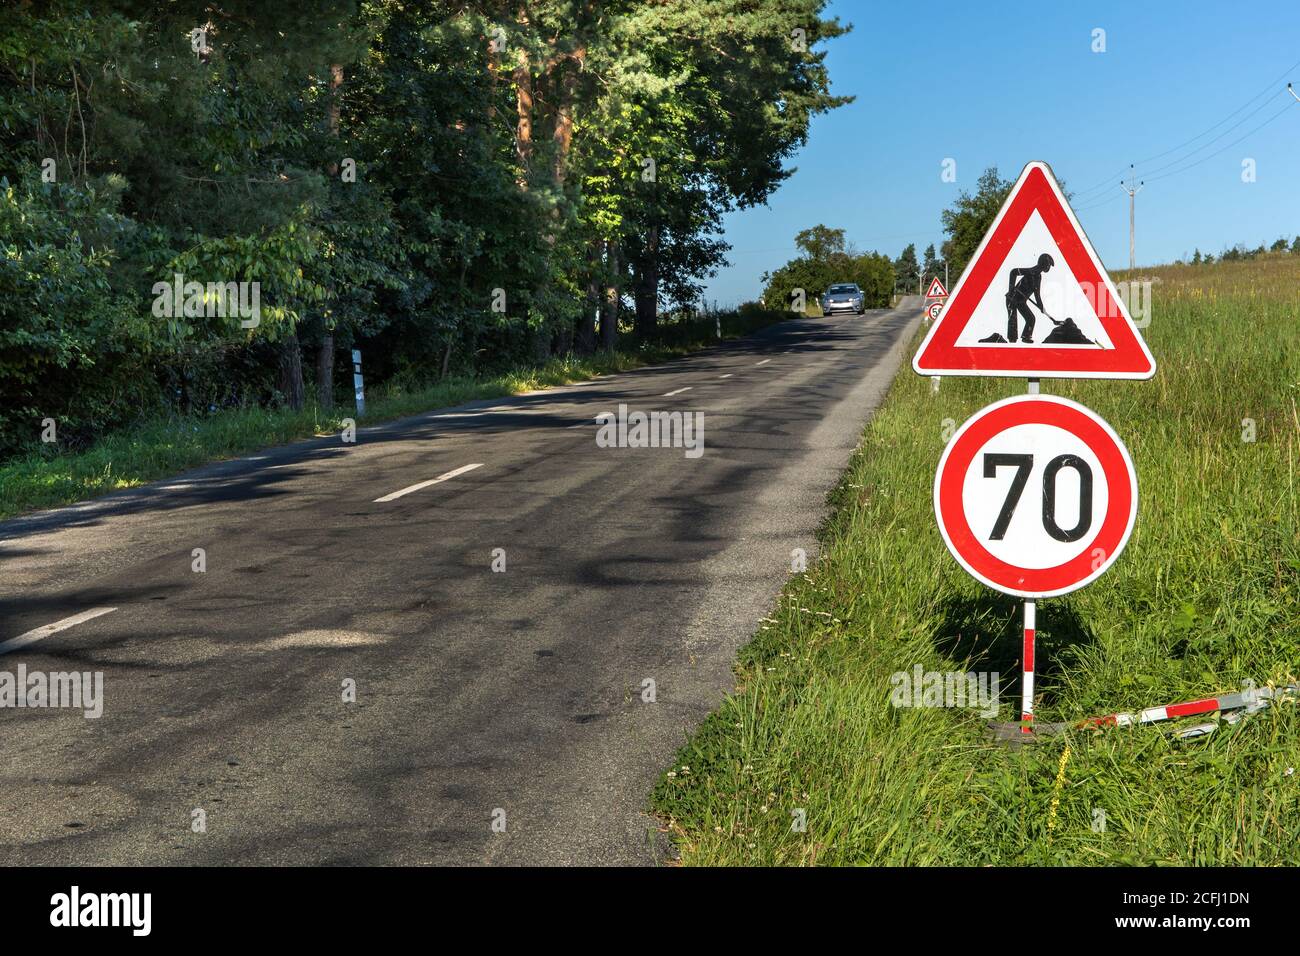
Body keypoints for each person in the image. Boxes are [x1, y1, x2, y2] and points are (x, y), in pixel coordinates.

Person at [1005, 253, 1053, 343]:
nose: (1049, 267)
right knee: (1012, 319)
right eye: (1048, 265)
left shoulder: (1038, 276)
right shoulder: (1031, 271)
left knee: (1031, 318)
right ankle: (1012, 341)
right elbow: (1014, 272)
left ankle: (1026, 336)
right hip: (1012, 298)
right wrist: (1011, 289)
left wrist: (1041, 307)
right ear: (1043, 263)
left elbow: (1037, 294)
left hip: (1021, 301)